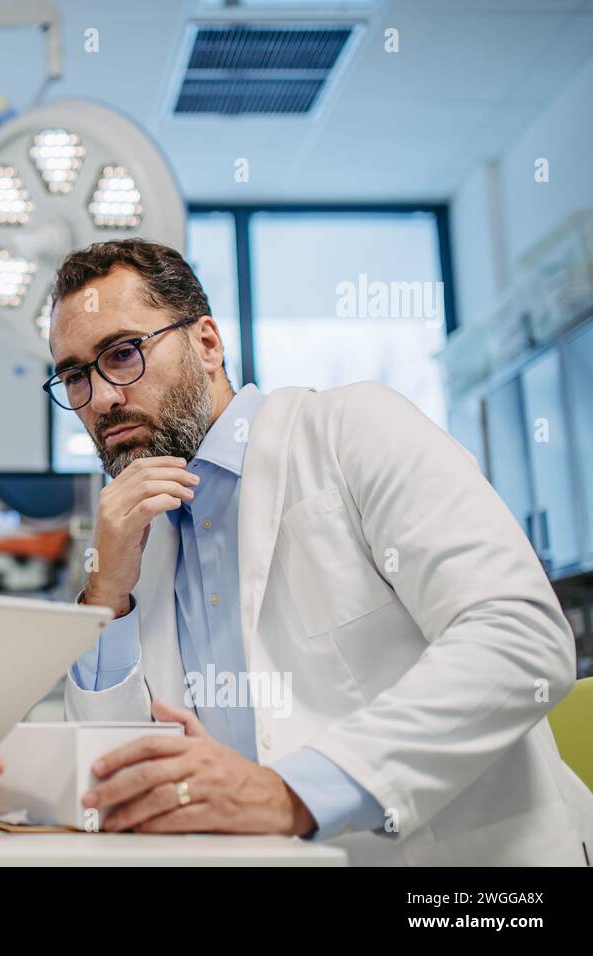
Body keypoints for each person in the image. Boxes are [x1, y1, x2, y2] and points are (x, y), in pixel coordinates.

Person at [46, 238, 593, 865]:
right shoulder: (140, 540)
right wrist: (107, 597)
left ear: (206, 343)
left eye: (122, 354)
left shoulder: (353, 427)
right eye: (75, 375)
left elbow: (522, 640)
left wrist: (291, 794)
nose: (103, 398)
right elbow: (110, 774)